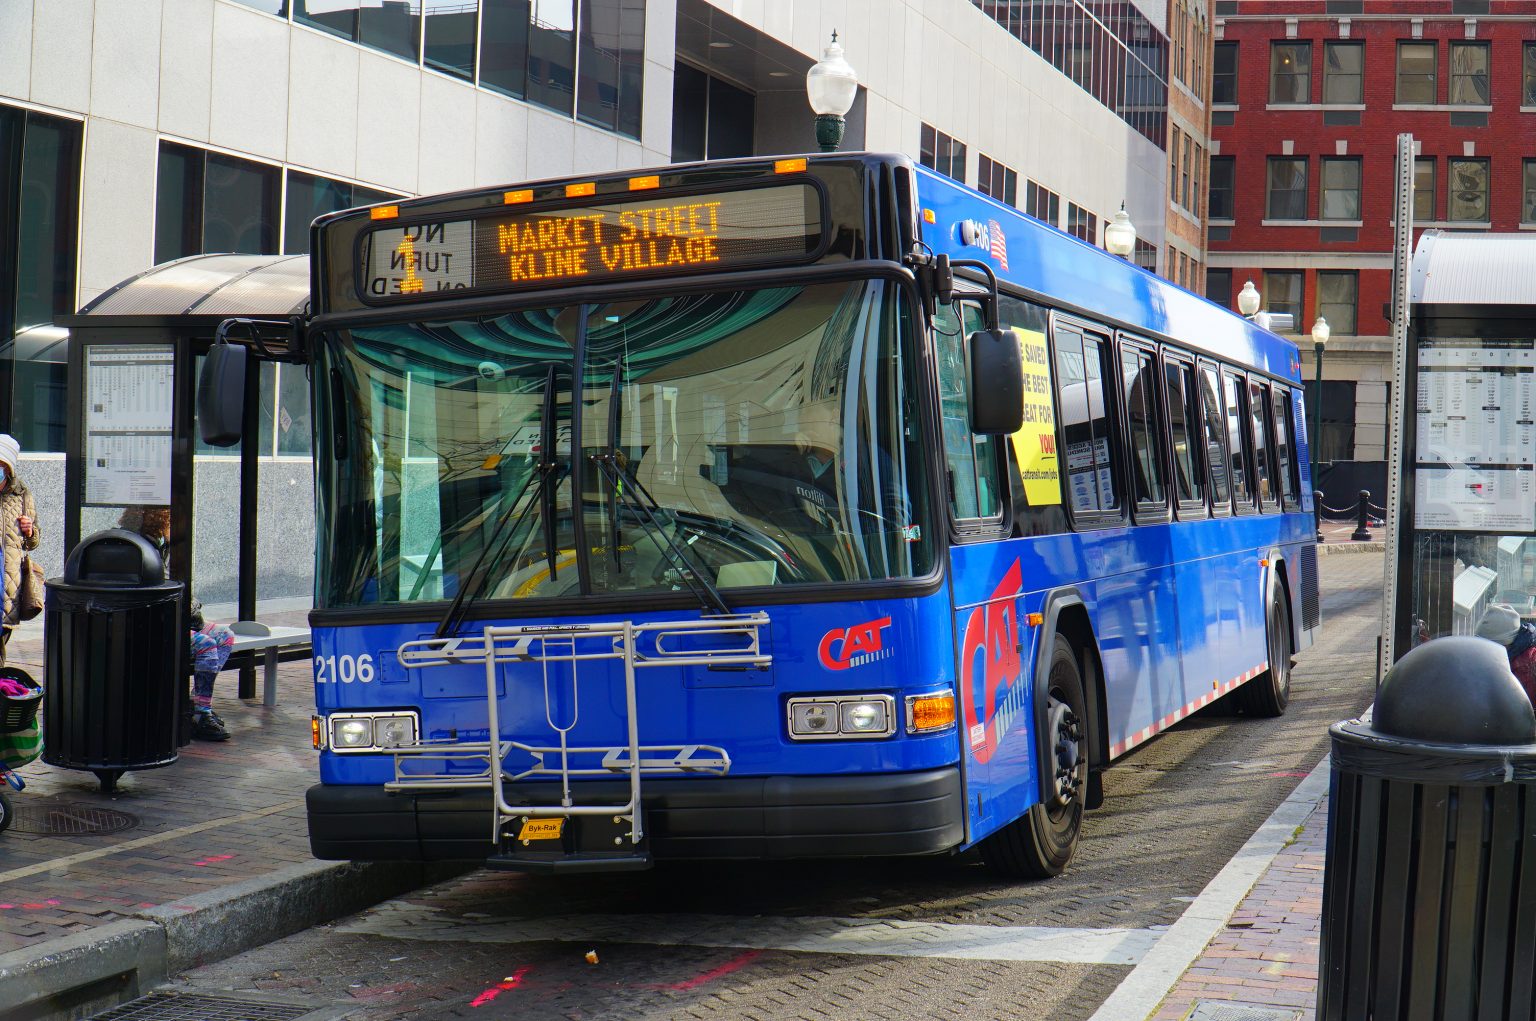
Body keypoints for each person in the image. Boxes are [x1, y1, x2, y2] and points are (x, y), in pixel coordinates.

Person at [119, 506, 235, 741]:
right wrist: (190, 607)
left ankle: (197, 702)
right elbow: (165, 591)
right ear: (159, 522)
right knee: (206, 645)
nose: (176, 528)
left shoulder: (158, 546)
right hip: (155, 626)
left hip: (172, 619)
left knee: (225, 636)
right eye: (171, 522)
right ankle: (201, 714)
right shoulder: (143, 550)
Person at [0, 434, 41, 664]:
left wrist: (30, 531)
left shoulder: (21, 494)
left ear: (8, 468)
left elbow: (32, 543)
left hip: (8, 582)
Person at [1475, 603, 1536, 704]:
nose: (1482, 652)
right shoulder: (1509, 660)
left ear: (1505, 644)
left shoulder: (1528, 668)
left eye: (1487, 647)